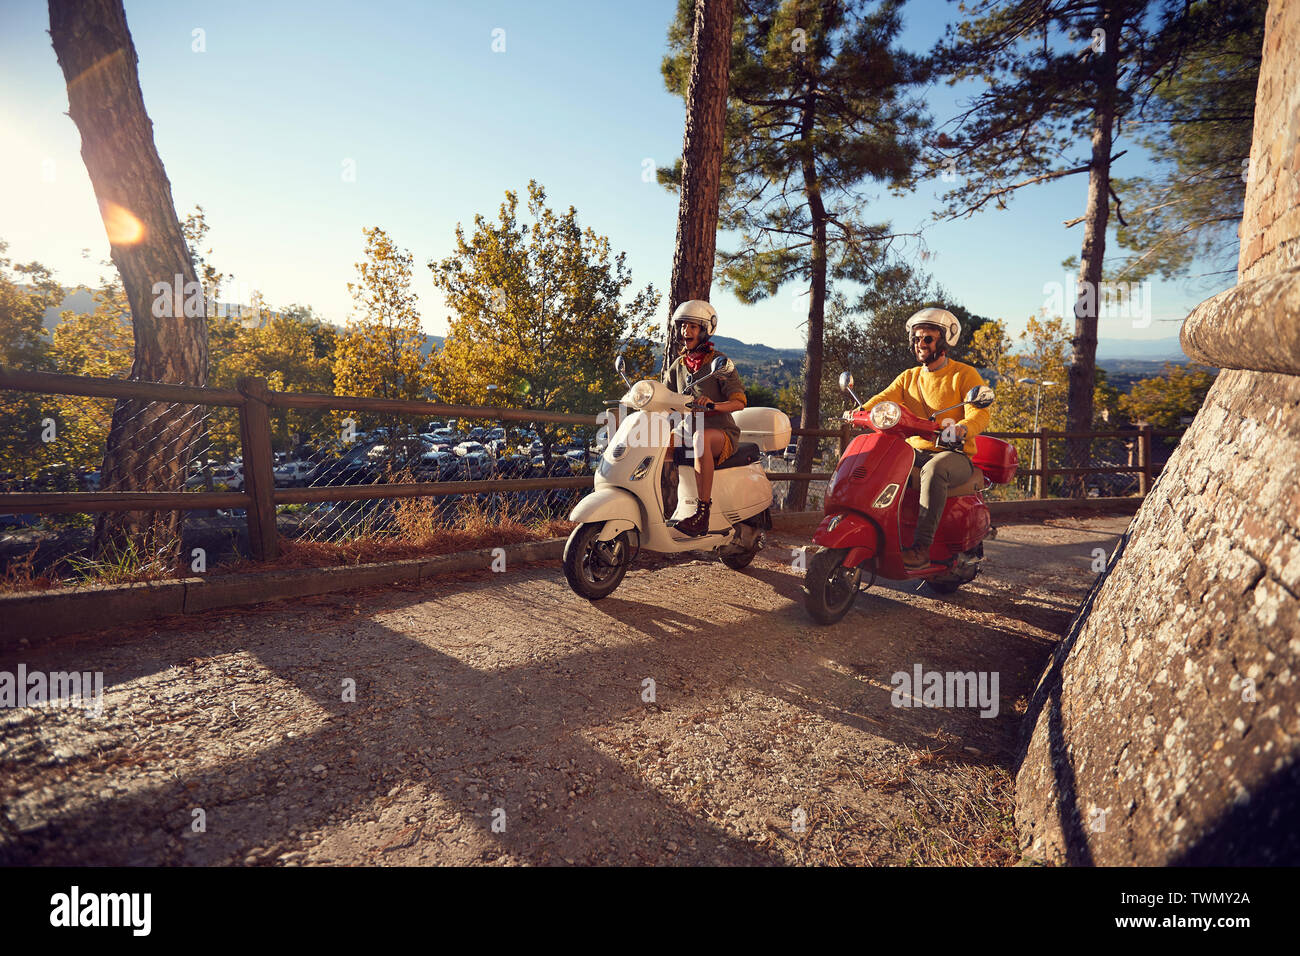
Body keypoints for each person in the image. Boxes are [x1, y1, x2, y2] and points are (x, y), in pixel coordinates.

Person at [848, 307, 991, 569]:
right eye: (916, 339)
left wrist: (961, 428)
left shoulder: (964, 374)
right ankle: (876, 531)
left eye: (927, 338)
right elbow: (883, 398)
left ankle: (921, 548)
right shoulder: (909, 377)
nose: (920, 344)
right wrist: (859, 411)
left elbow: (979, 415)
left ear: (944, 342)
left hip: (953, 454)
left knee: (934, 470)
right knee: (879, 459)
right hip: (914, 451)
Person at [662, 299, 748, 536]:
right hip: (689, 431)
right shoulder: (678, 365)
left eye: (692, 326)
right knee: (654, 444)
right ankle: (655, 507)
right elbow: (664, 396)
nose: (685, 331)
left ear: (704, 330)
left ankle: (702, 513)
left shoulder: (720, 362)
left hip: (720, 434)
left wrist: (714, 404)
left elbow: (739, 402)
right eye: (683, 326)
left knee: (701, 437)